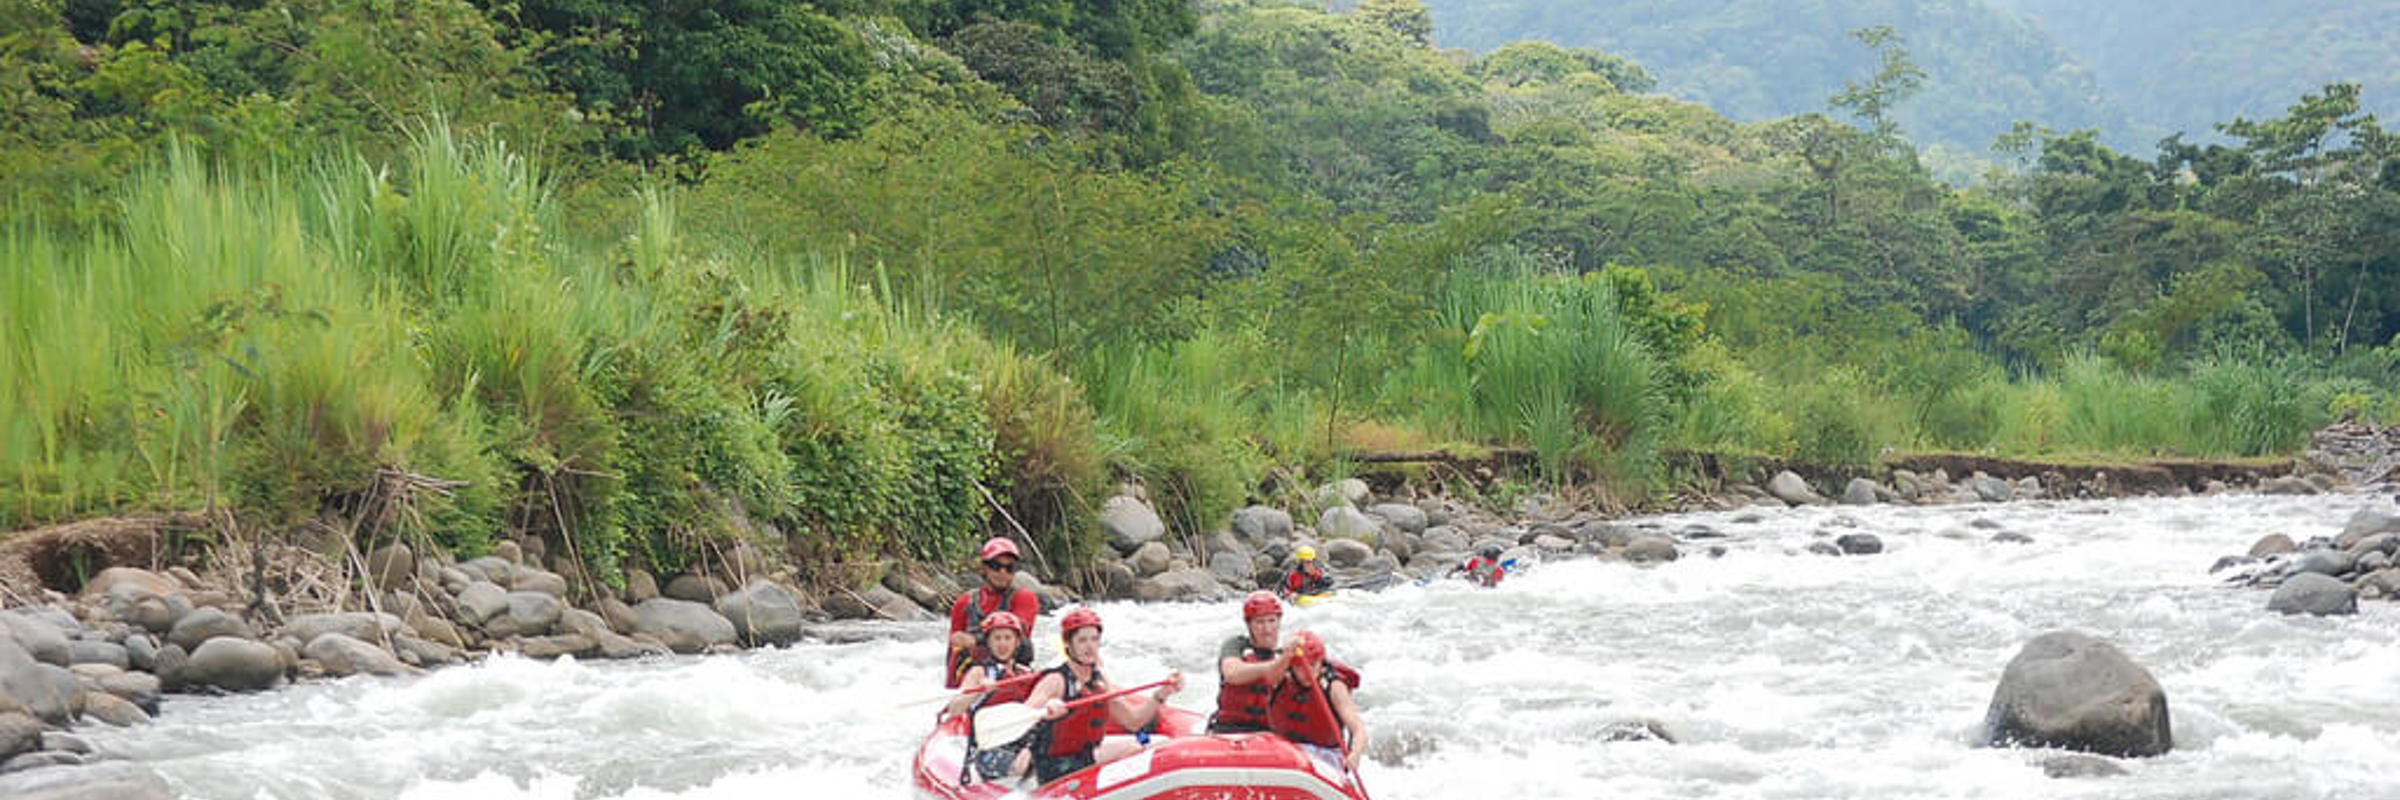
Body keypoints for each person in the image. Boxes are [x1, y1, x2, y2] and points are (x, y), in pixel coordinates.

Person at [1016, 608, 1184, 785]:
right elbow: (1022, 716)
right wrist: (1045, 710)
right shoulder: (1056, 680)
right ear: (1068, 644)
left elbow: (1133, 721)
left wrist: (1160, 695)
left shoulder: (1099, 681)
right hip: (1055, 765)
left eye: (1094, 639)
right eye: (1082, 640)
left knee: (1159, 744)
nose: (1090, 646)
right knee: (1132, 748)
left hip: (1086, 753)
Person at [948, 610, 1038, 782]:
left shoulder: (1027, 673)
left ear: (1017, 642)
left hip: (1021, 743)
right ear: (988, 642)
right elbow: (954, 708)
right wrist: (978, 692)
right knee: (1025, 765)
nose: (1002, 644)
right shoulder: (980, 672)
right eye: (997, 638)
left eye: (1007, 638)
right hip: (987, 749)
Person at [1270, 630, 1369, 772]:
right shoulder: (1280, 678)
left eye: (1312, 666)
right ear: (1291, 667)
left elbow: (1359, 729)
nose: (1307, 673)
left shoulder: (1334, 686)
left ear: (1321, 664)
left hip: (1325, 755)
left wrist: (1355, 754)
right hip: (1287, 751)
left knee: (1299, 758)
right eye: (1300, 668)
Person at [947, 537, 1040, 688]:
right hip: (973, 675)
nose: (1003, 572)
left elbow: (1016, 636)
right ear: (984, 568)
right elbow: (953, 654)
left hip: (1011, 674)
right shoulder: (964, 602)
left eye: (1009, 567)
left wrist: (974, 641)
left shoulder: (1024, 598)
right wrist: (950, 688)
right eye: (996, 566)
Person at [1210, 591, 1295, 734]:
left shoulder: (1286, 655)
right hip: (1229, 730)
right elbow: (1232, 673)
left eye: (1271, 621)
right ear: (1249, 625)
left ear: (1279, 622)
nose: (1267, 629)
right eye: (1260, 622)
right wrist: (1276, 665)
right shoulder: (1236, 646)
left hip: (1269, 734)